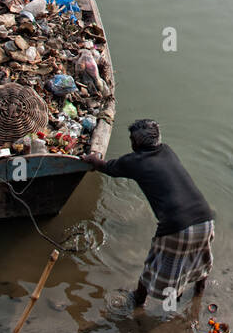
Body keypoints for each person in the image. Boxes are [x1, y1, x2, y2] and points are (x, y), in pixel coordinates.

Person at [83, 119, 215, 309]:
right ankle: (198, 297)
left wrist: (93, 160)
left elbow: (108, 168)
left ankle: (145, 305)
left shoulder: (134, 161)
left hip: (176, 226)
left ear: (135, 143)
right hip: (205, 218)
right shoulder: (167, 150)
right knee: (200, 259)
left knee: (155, 267)